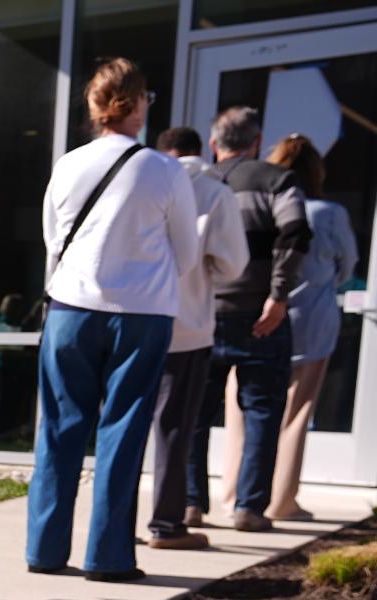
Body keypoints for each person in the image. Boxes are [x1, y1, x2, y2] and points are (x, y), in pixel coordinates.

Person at [27, 59, 198, 582]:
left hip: (71, 309)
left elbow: (53, 241)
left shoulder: (68, 164)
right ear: (139, 103)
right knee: (123, 431)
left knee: (59, 429)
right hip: (141, 314)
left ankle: (44, 550)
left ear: (95, 105)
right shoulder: (166, 170)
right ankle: (108, 557)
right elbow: (188, 253)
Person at [188, 106, 311, 533]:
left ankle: (189, 503)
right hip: (262, 316)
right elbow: (295, 233)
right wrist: (278, 295)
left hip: (202, 314)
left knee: (194, 413)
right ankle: (249, 508)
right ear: (257, 141)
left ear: (213, 144)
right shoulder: (278, 180)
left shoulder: (198, 185)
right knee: (262, 412)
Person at [141, 127, 246, 551]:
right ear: (204, 150)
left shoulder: (142, 181)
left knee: (125, 426)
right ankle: (166, 524)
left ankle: (114, 527)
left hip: (132, 318)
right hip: (186, 325)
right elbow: (233, 263)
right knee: (173, 427)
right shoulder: (214, 191)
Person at [262, 133, 357, 521]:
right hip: (313, 320)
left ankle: (238, 493)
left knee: (247, 408)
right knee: (296, 412)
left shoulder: (266, 206)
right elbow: (347, 266)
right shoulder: (328, 214)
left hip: (260, 317)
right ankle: (282, 501)